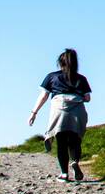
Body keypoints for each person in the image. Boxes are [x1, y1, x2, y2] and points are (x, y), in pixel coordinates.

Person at [28, 50, 92, 182]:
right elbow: (87, 98)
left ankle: (64, 174)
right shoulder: (81, 78)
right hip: (77, 110)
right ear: (75, 63)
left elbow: (44, 96)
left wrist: (34, 113)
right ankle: (74, 162)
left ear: (60, 62)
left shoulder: (52, 77)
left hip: (59, 109)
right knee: (75, 140)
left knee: (61, 141)